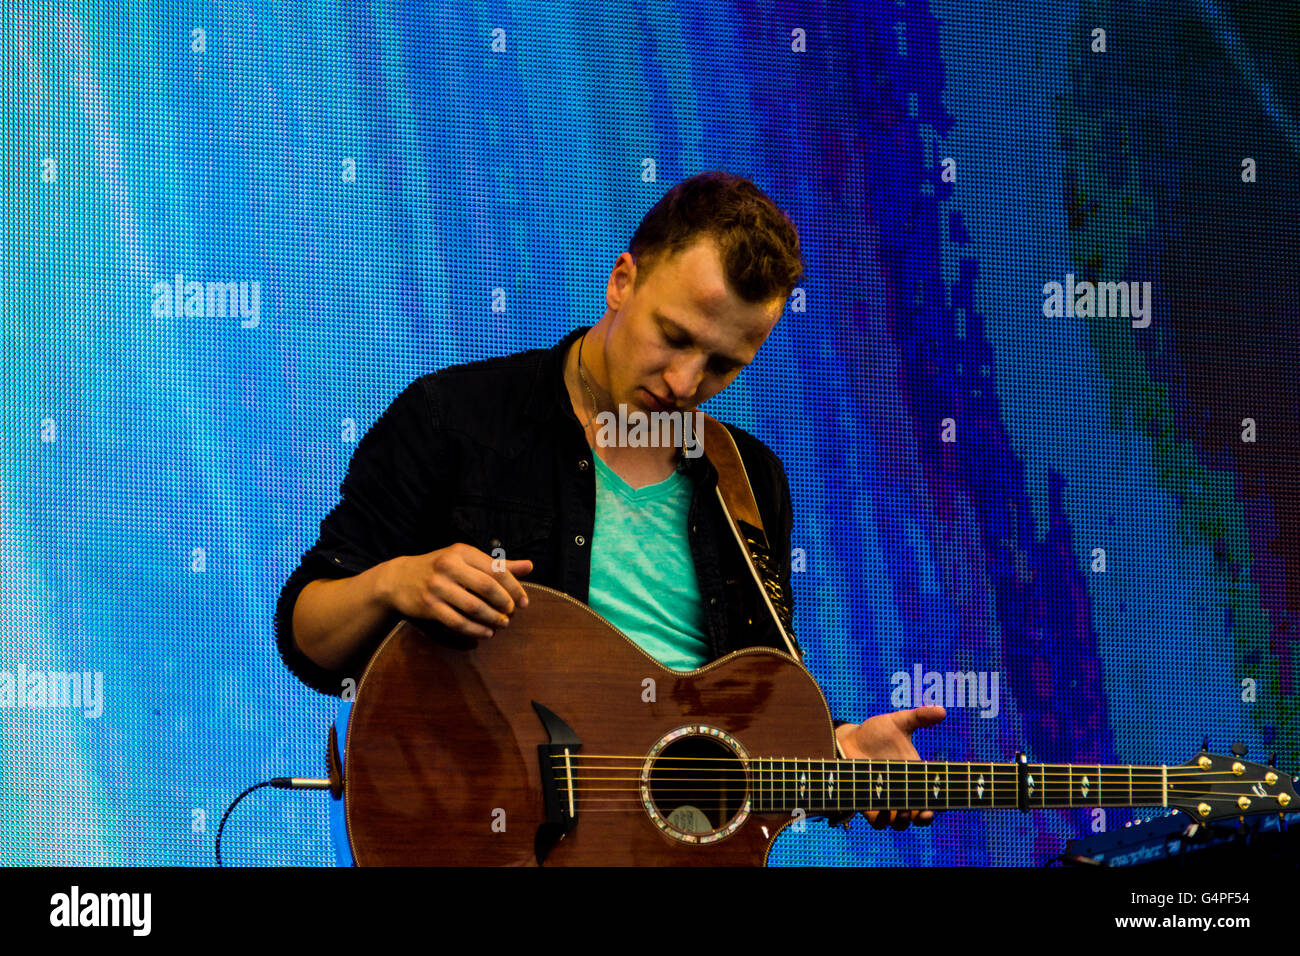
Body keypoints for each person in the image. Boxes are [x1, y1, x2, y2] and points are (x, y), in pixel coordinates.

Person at [275, 170, 946, 832]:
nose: (686, 382)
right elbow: (308, 637)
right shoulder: (453, 420)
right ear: (622, 280)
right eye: (675, 337)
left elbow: (744, 706)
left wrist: (841, 747)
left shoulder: (750, 480)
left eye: (724, 364)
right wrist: (397, 583)